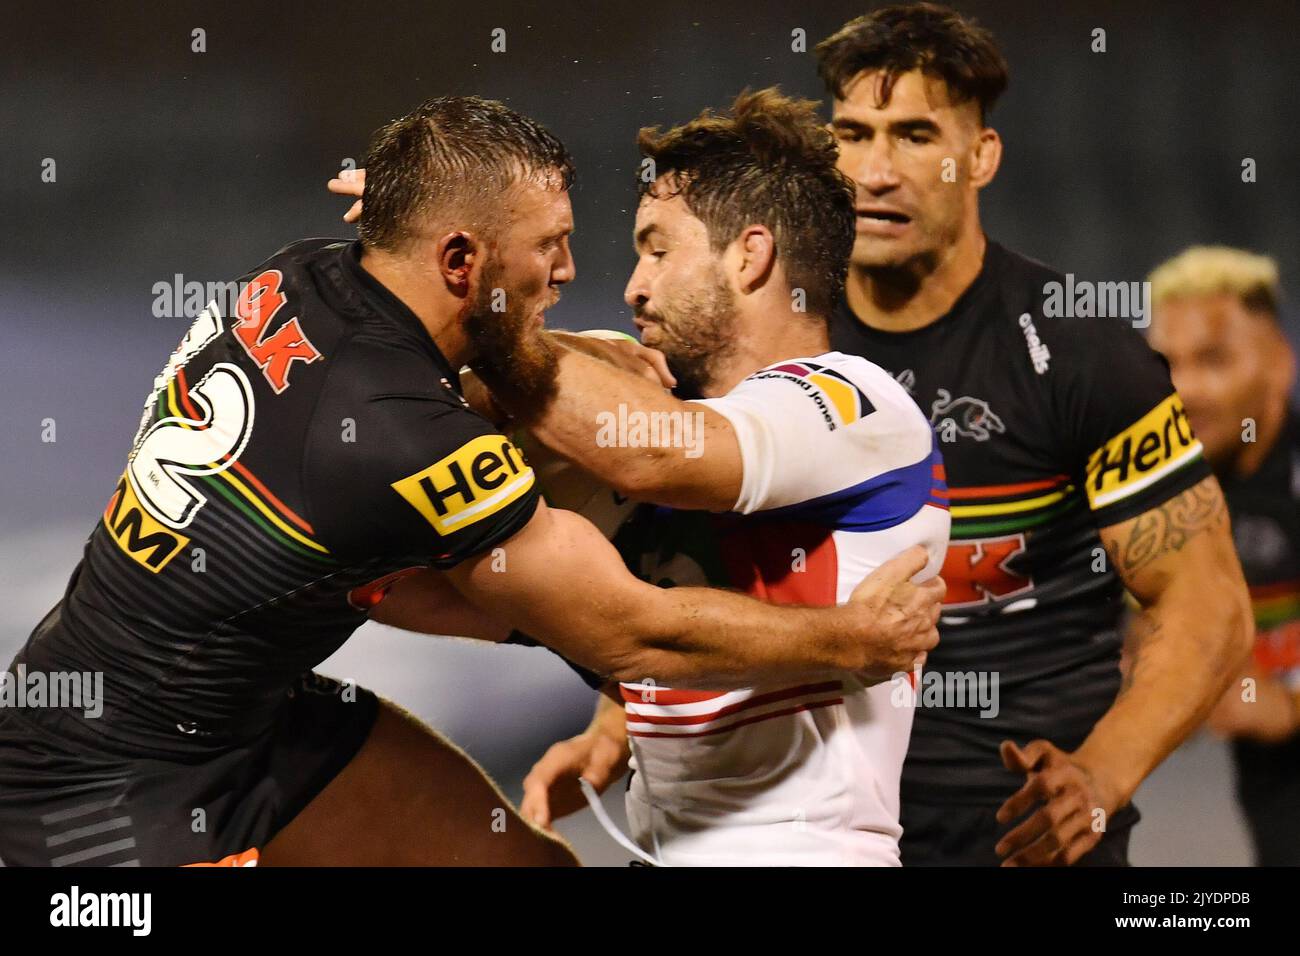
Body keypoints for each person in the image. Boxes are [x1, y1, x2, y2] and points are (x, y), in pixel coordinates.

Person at [0, 96, 941, 867]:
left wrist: (455, 236)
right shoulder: (409, 438)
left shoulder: (303, 274)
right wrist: (849, 641)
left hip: (249, 714)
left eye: (651, 247)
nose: (586, 276)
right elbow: (625, 605)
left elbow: (554, 455)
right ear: (460, 260)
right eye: (549, 248)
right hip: (110, 786)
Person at [814, 3, 1253, 865]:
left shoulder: (1081, 348)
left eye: (912, 135)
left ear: (980, 156)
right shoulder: (779, 340)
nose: (873, 171)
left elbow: (1206, 604)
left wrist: (1098, 777)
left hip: (1029, 835)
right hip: (818, 830)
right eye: (851, 133)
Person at [479, 89, 950, 866]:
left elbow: (654, 453)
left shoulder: (854, 403)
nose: (634, 286)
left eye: (658, 249)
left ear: (750, 254)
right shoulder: (677, 426)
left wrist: (485, 319)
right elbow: (484, 592)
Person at [1147, 245, 1300, 866]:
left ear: (1279, 365)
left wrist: (1290, 703)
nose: (1183, 388)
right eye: (1165, 363)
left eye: (1212, 360)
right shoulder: (1166, 491)